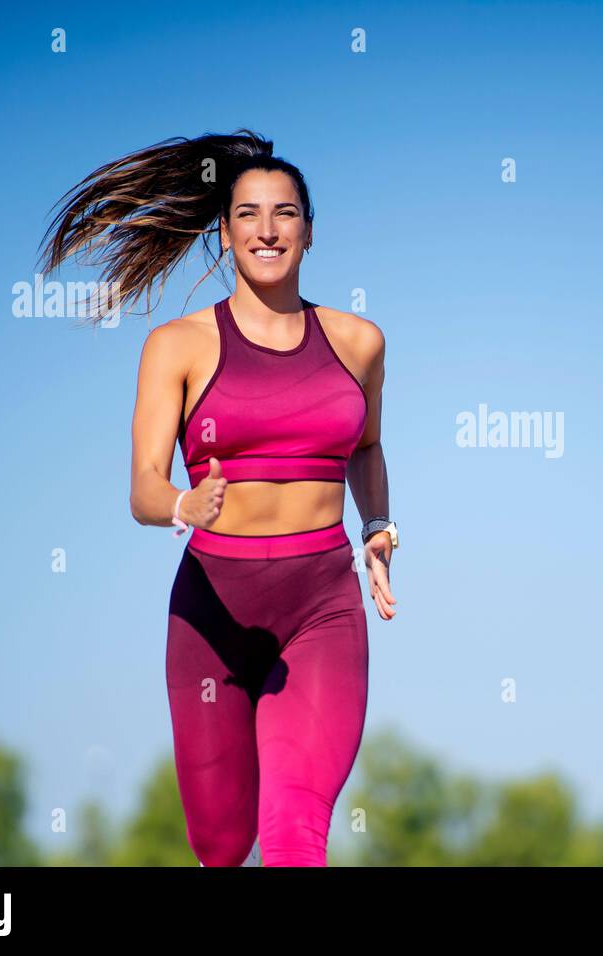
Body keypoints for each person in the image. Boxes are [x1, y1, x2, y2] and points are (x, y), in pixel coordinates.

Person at [38, 129, 399, 866]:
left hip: (322, 607)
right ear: (225, 232)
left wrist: (379, 526)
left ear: (310, 229)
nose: (267, 230)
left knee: (297, 835)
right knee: (223, 841)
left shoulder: (359, 341)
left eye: (285, 213)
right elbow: (141, 485)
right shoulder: (178, 345)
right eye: (248, 215)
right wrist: (181, 504)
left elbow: (366, 446)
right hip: (212, 614)